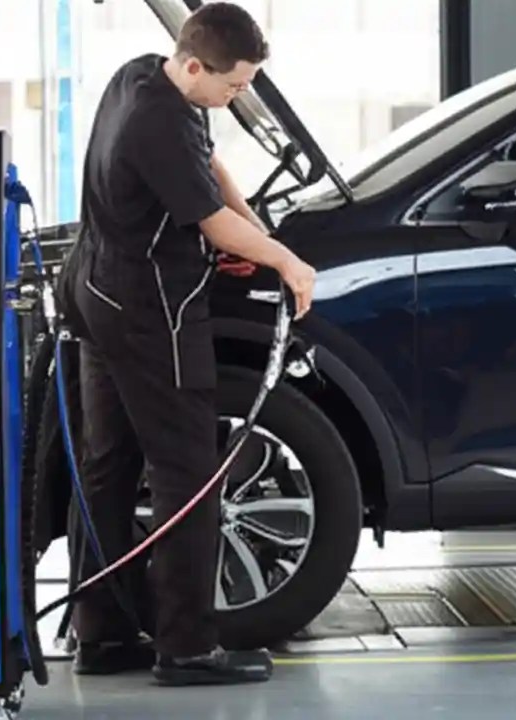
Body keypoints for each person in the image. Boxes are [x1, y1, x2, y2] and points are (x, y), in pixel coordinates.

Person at [56, 2, 317, 687]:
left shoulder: (142, 76)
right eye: (234, 86)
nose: (238, 96)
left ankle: (102, 635)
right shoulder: (159, 120)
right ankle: (186, 648)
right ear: (197, 65)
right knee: (189, 471)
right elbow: (210, 221)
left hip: (95, 294)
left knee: (108, 465)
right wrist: (286, 262)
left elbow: (209, 169)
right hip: (148, 312)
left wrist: (259, 231)